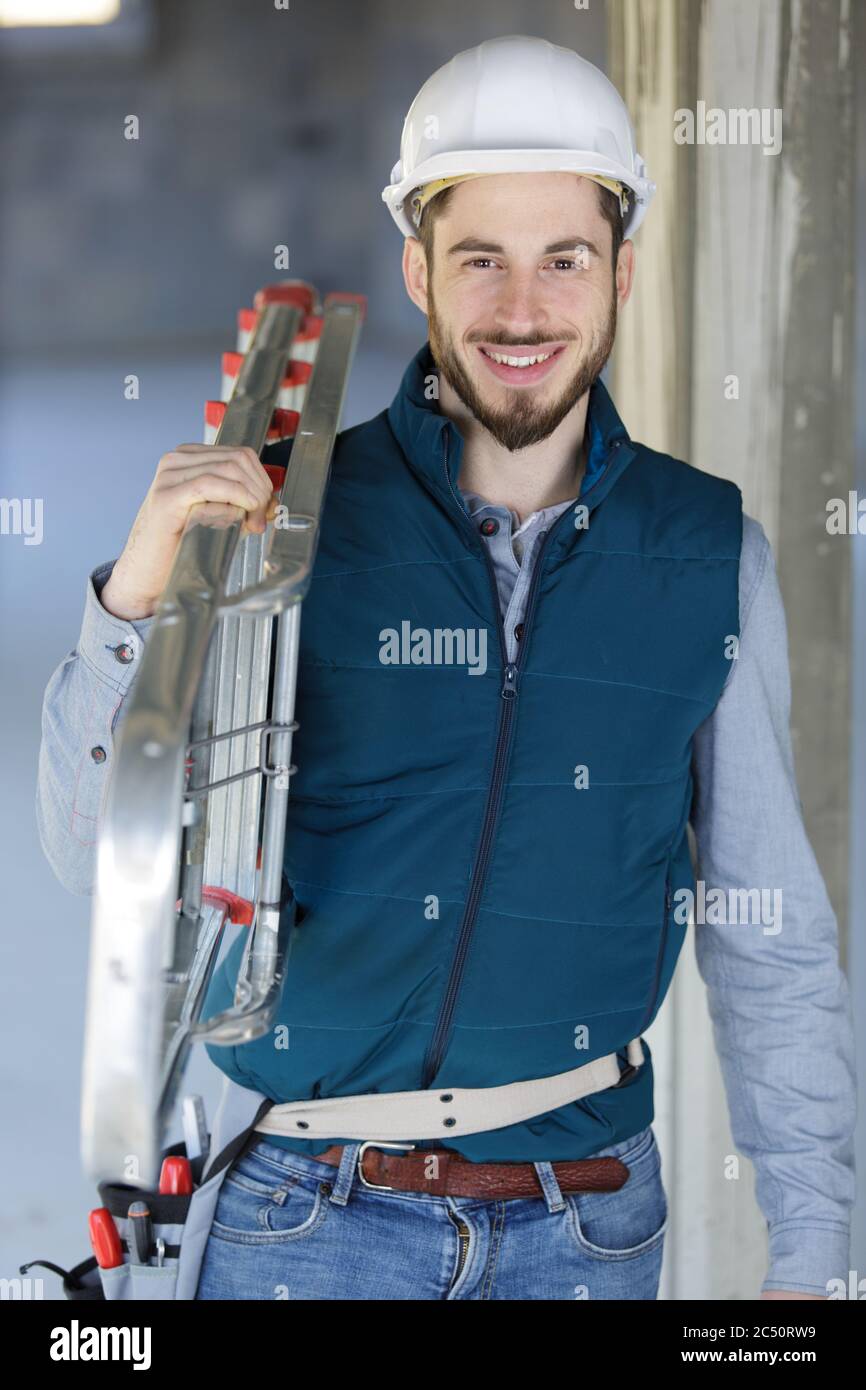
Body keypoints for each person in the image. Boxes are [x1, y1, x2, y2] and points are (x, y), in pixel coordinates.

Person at [37, 34, 856, 1301]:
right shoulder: (281, 524)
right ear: (417, 269)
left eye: (562, 261)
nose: (522, 310)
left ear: (620, 274)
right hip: (304, 1224)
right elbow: (97, 853)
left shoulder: (707, 557)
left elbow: (770, 937)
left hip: (586, 1225)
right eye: (480, 260)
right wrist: (133, 602)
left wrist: (810, 1255)